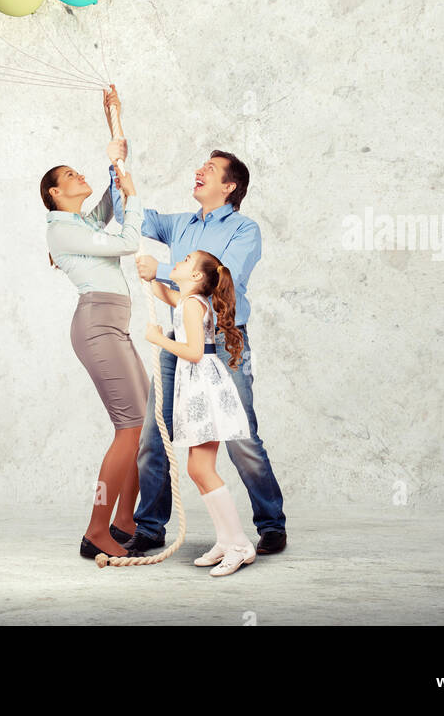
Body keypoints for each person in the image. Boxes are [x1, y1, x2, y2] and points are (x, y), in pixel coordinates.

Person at [105, 89, 288, 559]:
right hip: (178, 345)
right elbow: (129, 213)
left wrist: (160, 273)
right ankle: (150, 526)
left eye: (211, 169)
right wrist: (117, 162)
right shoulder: (179, 223)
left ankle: (270, 524)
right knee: (155, 434)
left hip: (223, 345)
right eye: (200, 166)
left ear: (229, 186)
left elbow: (217, 275)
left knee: (241, 438)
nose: (200, 171)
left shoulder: (244, 230)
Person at [41, 146, 149, 561]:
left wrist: (115, 162)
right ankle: (95, 531)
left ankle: (125, 522)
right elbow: (128, 239)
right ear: (54, 193)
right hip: (97, 327)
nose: (77, 175)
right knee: (129, 427)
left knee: (140, 430)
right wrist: (134, 196)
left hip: (113, 326)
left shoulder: (79, 223)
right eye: (69, 175)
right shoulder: (63, 231)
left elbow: (109, 204)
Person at [145, 248, 257, 575]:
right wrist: (147, 272)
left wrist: (157, 338)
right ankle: (225, 540)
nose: (177, 263)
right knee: (197, 469)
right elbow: (161, 289)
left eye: (185, 261)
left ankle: (239, 544)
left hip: (203, 387)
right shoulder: (188, 300)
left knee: (203, 470)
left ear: (195, 276)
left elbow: (194, 352)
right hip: (197, 386)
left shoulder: (193, 305)